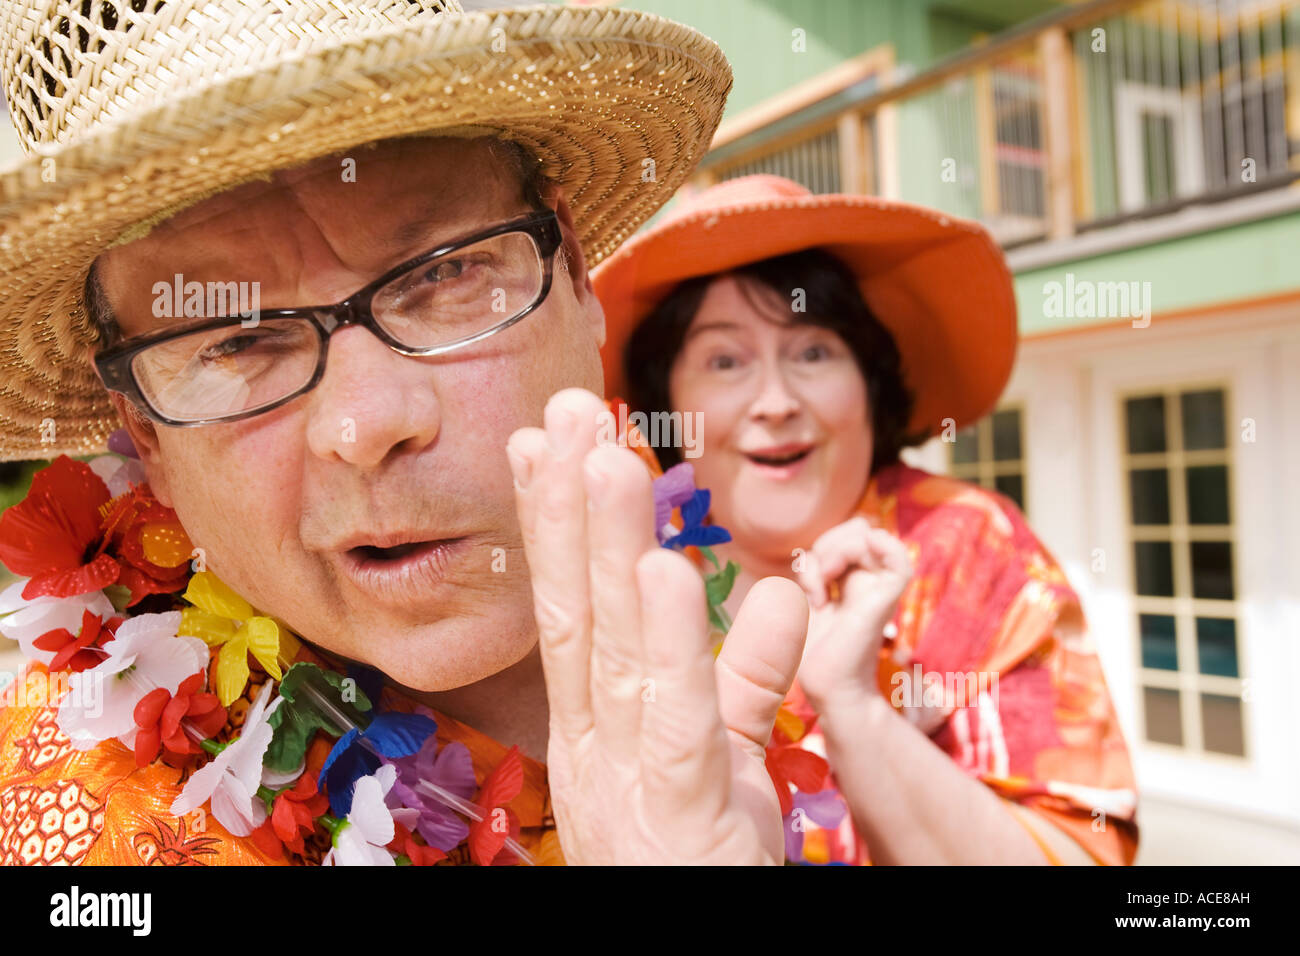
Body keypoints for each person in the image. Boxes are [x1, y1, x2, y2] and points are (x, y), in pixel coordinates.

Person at [0, 0, 812, 866]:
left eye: (442, 274)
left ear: (574, 270)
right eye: (236, 342)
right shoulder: (88, 831)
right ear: (143, 433)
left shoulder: (768, 644)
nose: (366, 423)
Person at [593, 173, 1141, 865]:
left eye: (813, 351)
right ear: (667, 408)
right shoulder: (617, 566)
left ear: (868, 381)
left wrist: (851, 703)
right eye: (725, 359)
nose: (775, 400)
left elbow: (1080, 850)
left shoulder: (967, 546)